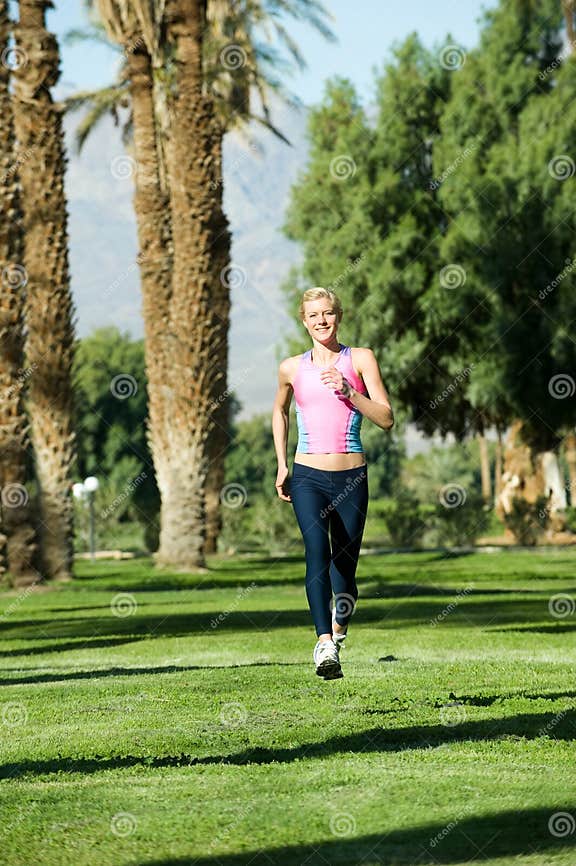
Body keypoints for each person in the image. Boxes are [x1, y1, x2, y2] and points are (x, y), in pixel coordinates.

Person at [272, 286, 394, 679]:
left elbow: (387, 417)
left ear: (338, 316)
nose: (321, 321)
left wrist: (349, 392)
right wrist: (281, 464)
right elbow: (280, 411)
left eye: (327, 313)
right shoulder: (291, 368)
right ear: (303, 320)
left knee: (345, 564)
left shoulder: (360, 359)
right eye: (313, 315)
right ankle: (323, 642)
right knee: (315, 552)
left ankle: (337, 635)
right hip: (307, 474)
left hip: (352, 476)